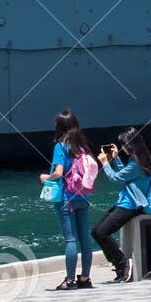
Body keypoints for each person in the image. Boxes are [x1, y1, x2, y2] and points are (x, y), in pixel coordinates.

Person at [39, 110, 97, 290]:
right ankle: (85, 278)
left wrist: (44, 178)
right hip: (83, 197)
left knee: (70, 240)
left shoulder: (60, 146)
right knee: (84, 238)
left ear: (60, 127)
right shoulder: (82, 146)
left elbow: (58, 173)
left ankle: (70, 280)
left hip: (66, 199)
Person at [92, 129, 151, 284]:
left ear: (130, 145)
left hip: (131, 205)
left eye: (123, 145)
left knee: (102, 232)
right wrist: (116, 159)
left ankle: (123, 263)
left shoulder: (136, 164)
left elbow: (116, 178)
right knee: (95, 231)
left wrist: (105, 163)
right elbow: (125, 175)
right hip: (125, 202)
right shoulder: (139, 159)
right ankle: (119, 266)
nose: (122, 147)